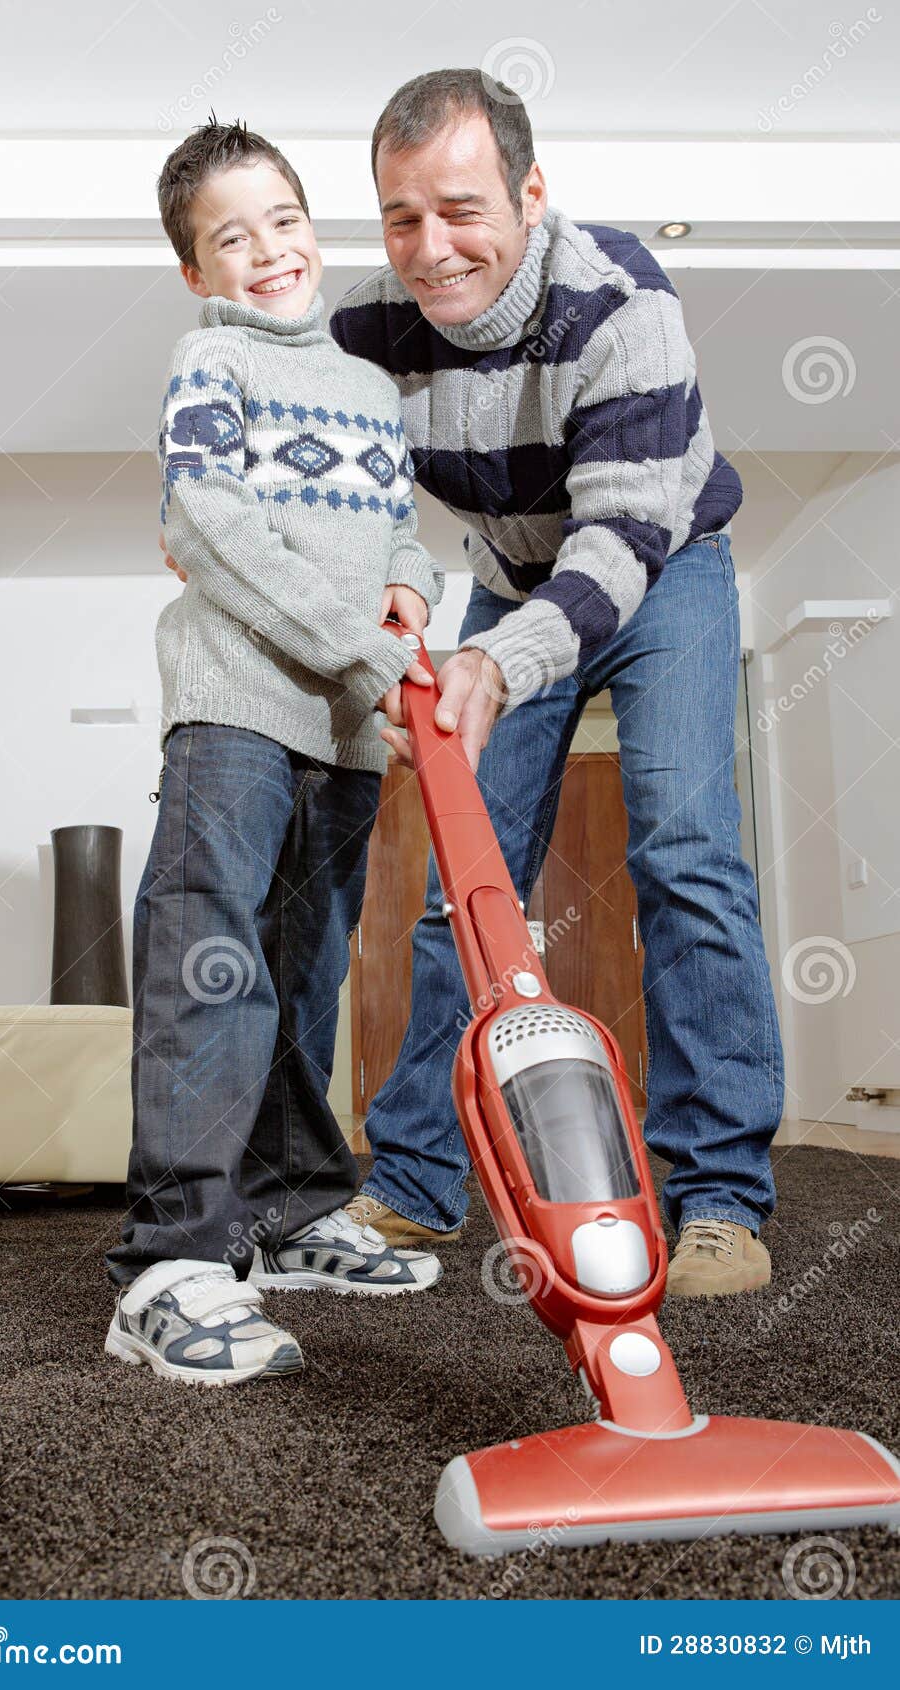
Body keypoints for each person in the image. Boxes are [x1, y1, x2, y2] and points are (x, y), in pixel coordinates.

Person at [328, 69, 784, 1299]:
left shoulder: (621, 301)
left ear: (532, 193)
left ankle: (721, 1200)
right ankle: (416, 1182)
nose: (431, 248)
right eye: (402, 218)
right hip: (511, 576)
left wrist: (498, 656)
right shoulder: (368, 329)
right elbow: (318, 468)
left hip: (665, 565)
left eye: (461, 210)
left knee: (685, 847)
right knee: (464, 885)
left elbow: (622, 537)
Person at [105, 118, 445, 1389]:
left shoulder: (368, 384)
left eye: (285, 223)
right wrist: (361, 648)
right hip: (239, 704)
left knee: (307, 971)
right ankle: (170, 1263)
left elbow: (397, 527)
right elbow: (208, 519)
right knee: (212, 965)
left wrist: (410, 586)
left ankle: (293, 1211)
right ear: (195, 269)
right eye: (231, 239)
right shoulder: (211, 361)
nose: (268, 253)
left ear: (314, 224)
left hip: (345, 730)